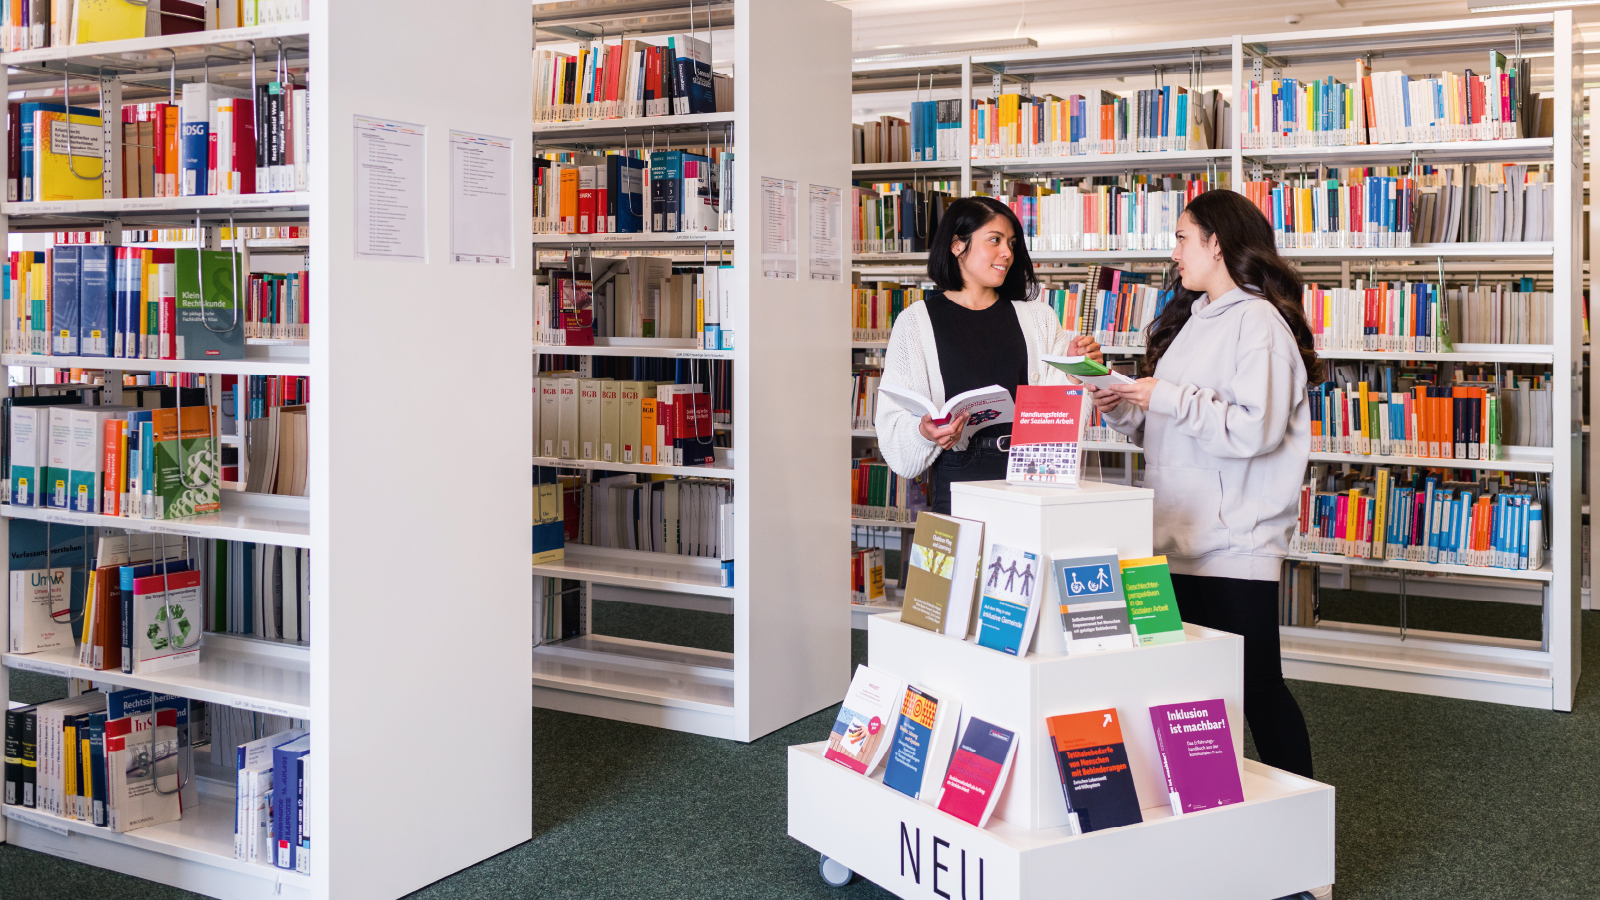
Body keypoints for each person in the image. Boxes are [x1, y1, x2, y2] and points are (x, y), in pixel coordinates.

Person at [1090, 189, 1317, 780]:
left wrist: (1161, 395)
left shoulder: (1259, 323)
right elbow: (1170, 430)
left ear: (1217, 243)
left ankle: (1305, 854)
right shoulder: (1193, 322)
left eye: (1183, 238)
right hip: (1175, 538)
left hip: (1234, 544)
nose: (1175, 252)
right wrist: (1121, 404)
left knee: (1258, 690)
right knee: (1187, 694)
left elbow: (1253, 431)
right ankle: (1211, 822)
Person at [875, 196, 1103, 513]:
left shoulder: (1038, 318)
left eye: (1011, 242)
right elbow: (892, 423)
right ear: (957, 245)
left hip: (1032, 474)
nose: (1007, 253)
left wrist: (1075, 370)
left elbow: (1064, 420)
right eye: (994, 240)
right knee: (960, 564)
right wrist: (925, 433)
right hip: (957, 478)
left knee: (1025, 563)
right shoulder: (915, 323)